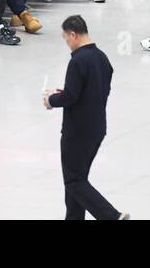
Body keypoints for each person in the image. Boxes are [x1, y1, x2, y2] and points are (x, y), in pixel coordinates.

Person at [44, 15, 126, 220]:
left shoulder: (78, 60)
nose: (67, 44)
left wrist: (51, 100)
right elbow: (93, 91)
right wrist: (64, 93)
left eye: (66, 39)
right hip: (97, 127)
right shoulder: (102, 58)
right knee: (78, 180)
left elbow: (71, 97)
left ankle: (111, 216)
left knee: (74, 181)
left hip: (77, 130)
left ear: (73, 35)